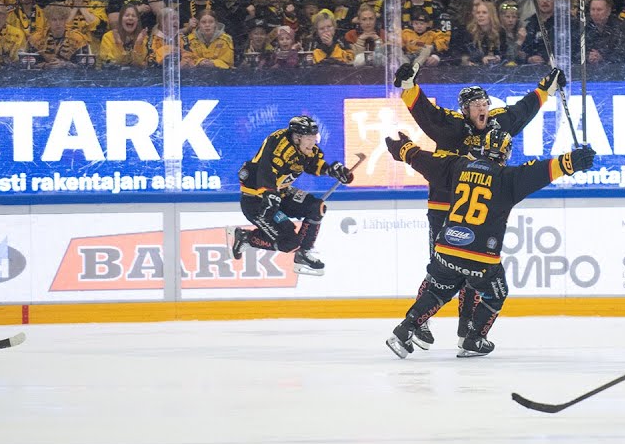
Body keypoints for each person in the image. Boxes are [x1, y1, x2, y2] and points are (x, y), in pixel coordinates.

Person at [391, 60, 564, 348]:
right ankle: (421, 321)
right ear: (464, 110)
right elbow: (425, 114)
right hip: (445, 207)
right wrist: (409, 86)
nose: (482, 107)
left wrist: (544, 89)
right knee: (441, 267)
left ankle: (467, 327)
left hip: (477, 213)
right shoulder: (451, 125)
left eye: (484, 101)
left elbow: (521, 112)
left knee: (470, 272)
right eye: (475, 104)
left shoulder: (498, 122)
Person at [383, 129, 595, 358]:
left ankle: (404, 331)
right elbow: (542, 171)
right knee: (496, 293)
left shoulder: (458, 166)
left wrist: (403, 149)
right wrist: (572, 161)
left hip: (446, 249)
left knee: (437, 291)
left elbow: (425, 161)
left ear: (482, 149)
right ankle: (473, 339)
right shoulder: (508, 178)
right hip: (480, 258)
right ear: (506, 153)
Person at [228, 116, 355, 276]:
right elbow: (265, 171)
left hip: (280, 194)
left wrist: (332, 170)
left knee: (316, 207)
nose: (313, 142)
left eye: (314, 137)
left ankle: (303, 253)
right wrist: (270, 193)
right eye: (309, 138)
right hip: (257, 201)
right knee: (289, 243)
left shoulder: (304, 148)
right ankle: (246, 238)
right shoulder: (278, 146)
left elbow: (313, 163)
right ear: (297, 137)